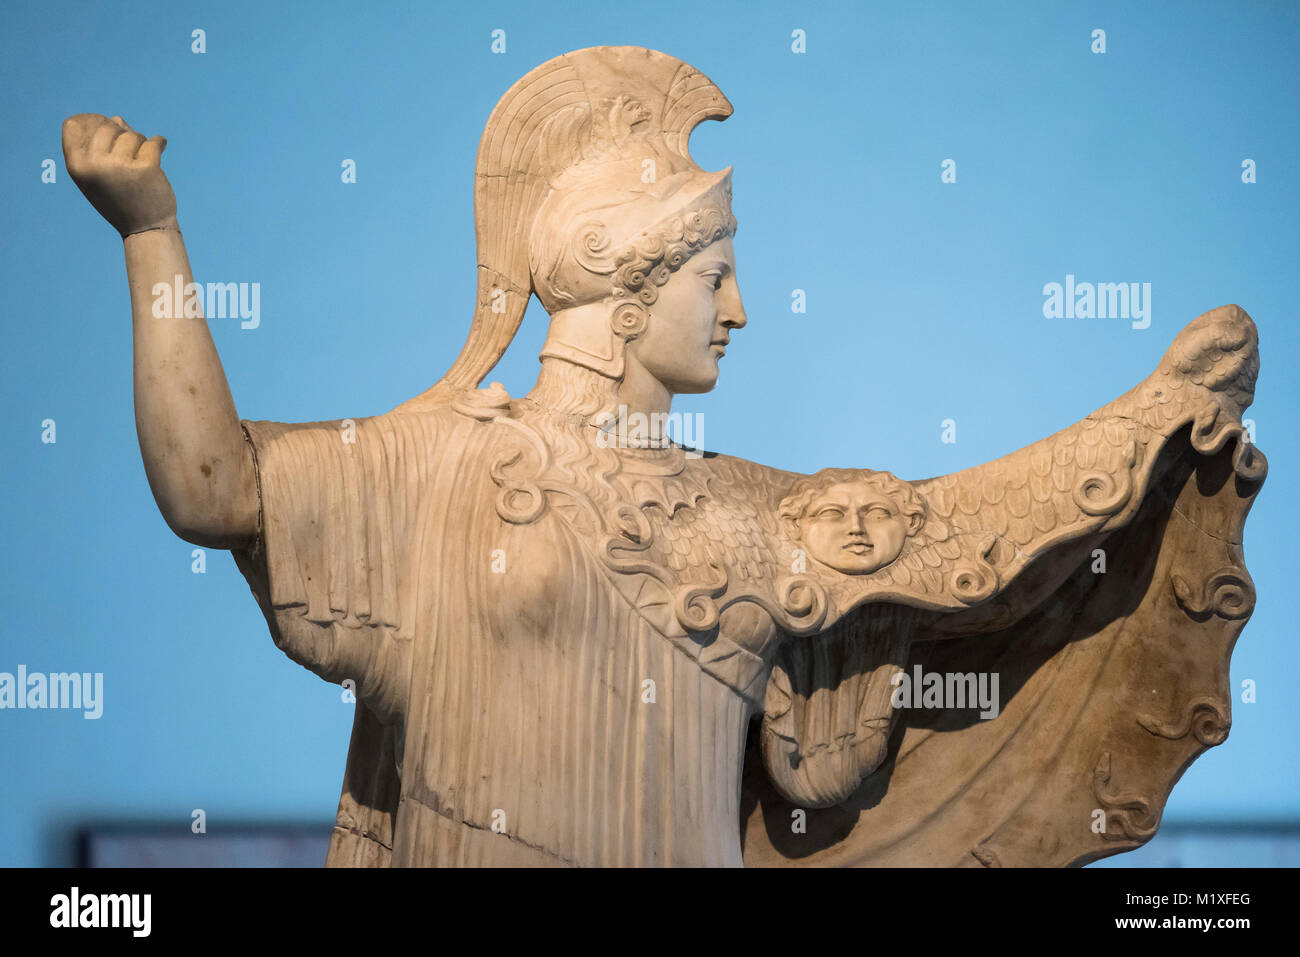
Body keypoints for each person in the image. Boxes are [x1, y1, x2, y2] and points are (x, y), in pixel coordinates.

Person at [62, 46, 1265, 868]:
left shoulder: (752, 517)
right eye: (713, 275)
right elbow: (211, 485)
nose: (738, 308)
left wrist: (1149, 419)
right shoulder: (434, 465)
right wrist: (155, 235)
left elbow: (972, 539)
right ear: (624, 288)